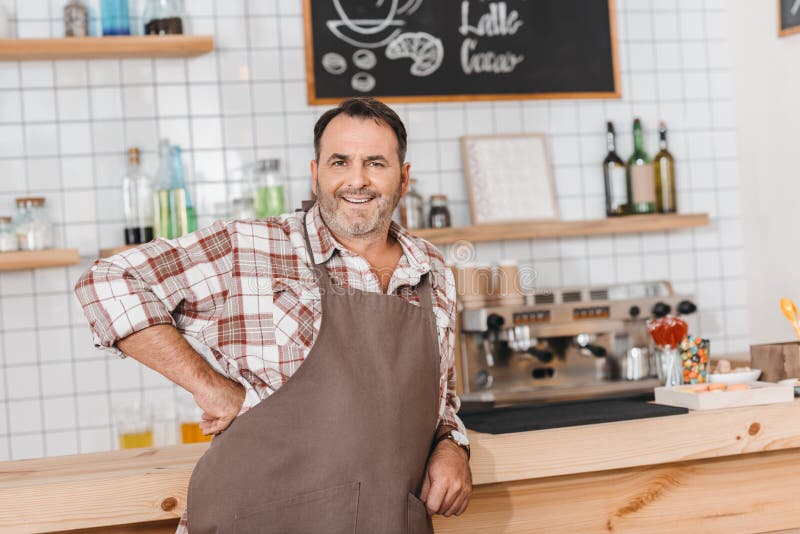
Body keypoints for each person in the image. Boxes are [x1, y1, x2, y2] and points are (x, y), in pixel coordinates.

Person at [74, 97, 472, 533]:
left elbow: (442, 397)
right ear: (315, 172)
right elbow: (107, 281)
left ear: (404, 177)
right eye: (339, 162)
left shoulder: (432, 269)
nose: (356, 180)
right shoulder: (252, 247)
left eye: (375, 163)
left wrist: (452, 446)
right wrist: (208, 387)